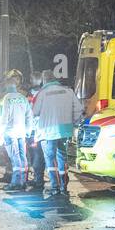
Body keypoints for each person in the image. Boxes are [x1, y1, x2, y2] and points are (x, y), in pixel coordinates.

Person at [32, 69, 77, 197]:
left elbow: (34, 113)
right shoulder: (68, 91)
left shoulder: (41, 93)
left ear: (44, 80)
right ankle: (64, 186)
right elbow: (78, 110)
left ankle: (55, 186)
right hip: (64, 131)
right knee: (62, 157)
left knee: (50, 160)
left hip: (48, 132)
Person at [0, 69, 33, 191]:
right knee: (22, 157)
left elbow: (3, 119)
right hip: (21, 133)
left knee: (15, 158)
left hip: (10, 133)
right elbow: (29, 116)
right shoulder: (22, 97)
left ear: (6, 85)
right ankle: (23, 181)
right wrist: (28, 131)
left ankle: (16, 183)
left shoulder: (6, 99)